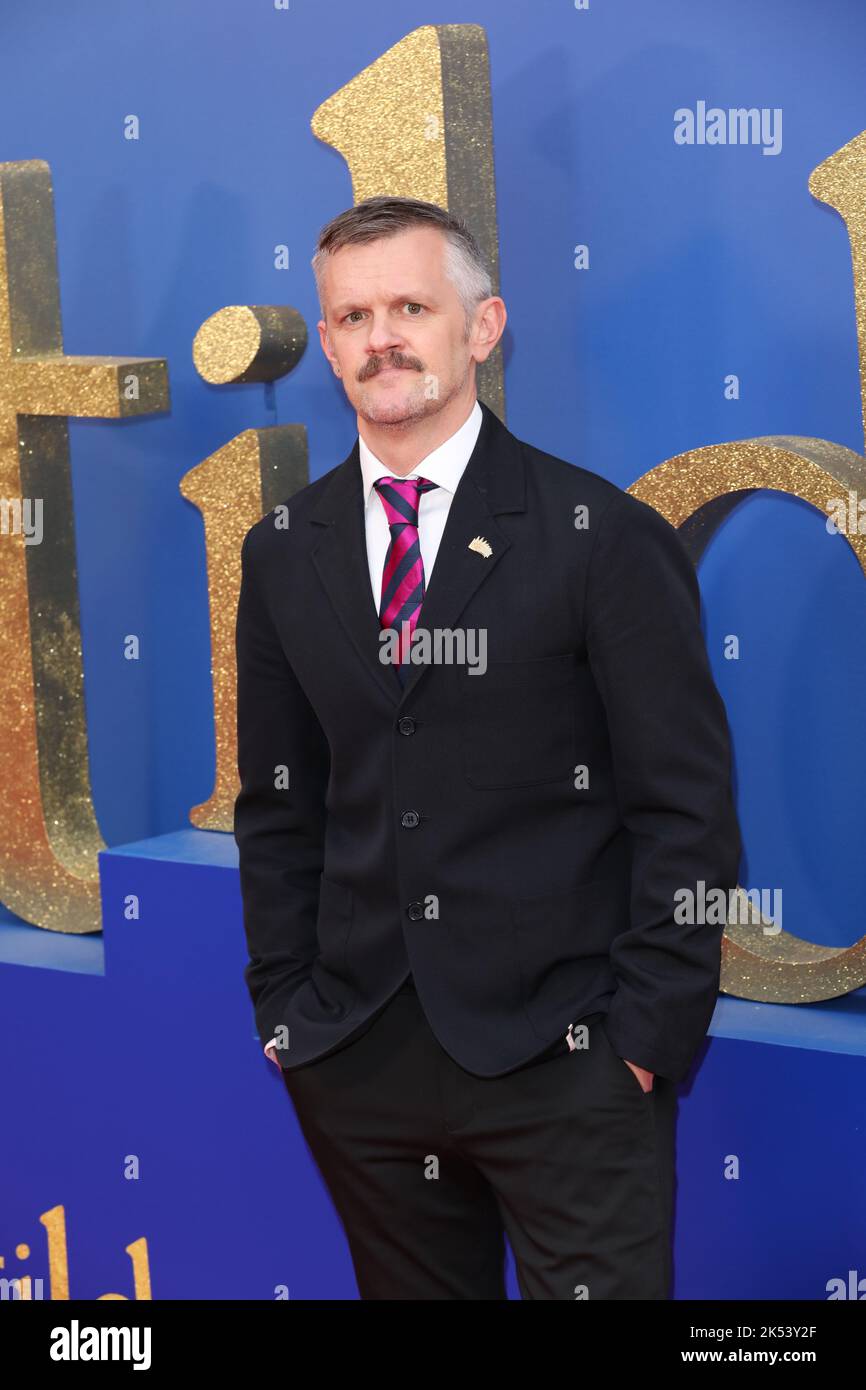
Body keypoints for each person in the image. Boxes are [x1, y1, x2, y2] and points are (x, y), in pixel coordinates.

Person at [233, 195, 742, 1300]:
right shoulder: (281, 552)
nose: (382, 339)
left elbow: (685, 812)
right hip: (358, 1055)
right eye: (353, 315)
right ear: (324, 342)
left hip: (568, 1059)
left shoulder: (599, 538)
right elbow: (280, 801)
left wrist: (641, 1040)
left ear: (482, 325)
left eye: (411, 305)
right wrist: (286, 1011)